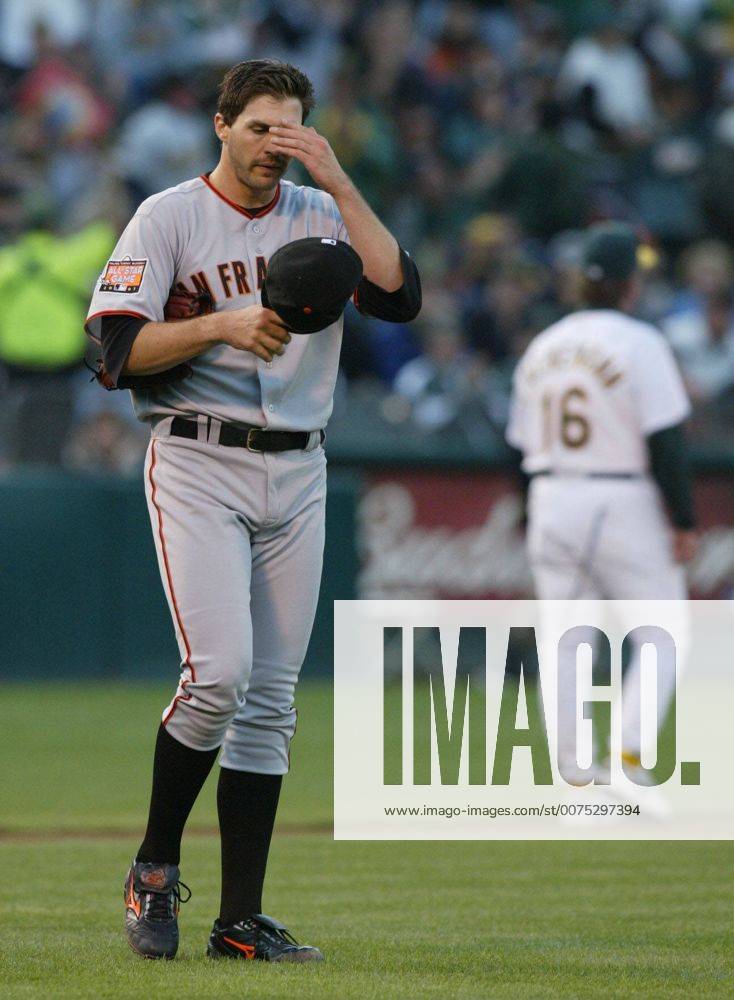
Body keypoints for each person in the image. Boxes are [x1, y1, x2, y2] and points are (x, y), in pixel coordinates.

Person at [84, 59, 420, 963]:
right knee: (219, 676)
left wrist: (339, 178)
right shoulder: (170, 215)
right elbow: (113, 350)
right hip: (199, 456)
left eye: (294, 127)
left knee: (270, 702)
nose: (279, 144)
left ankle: (240, 921)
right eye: (262, 126)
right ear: (223, 126)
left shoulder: (320, 213)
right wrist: (217, 325)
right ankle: (154, 869)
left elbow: (399, 296)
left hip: (299, 467)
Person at [506, 222, 696, 783]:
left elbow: (515, 446)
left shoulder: (544, 345)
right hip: (617, 494)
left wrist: (532, 510)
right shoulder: (640, 342)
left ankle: (573, 765)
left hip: (549, 493)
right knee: (665, 631)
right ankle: (629, 753)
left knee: (566, 638)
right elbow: (666, 440)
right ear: (627, 283)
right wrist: (683, 519)